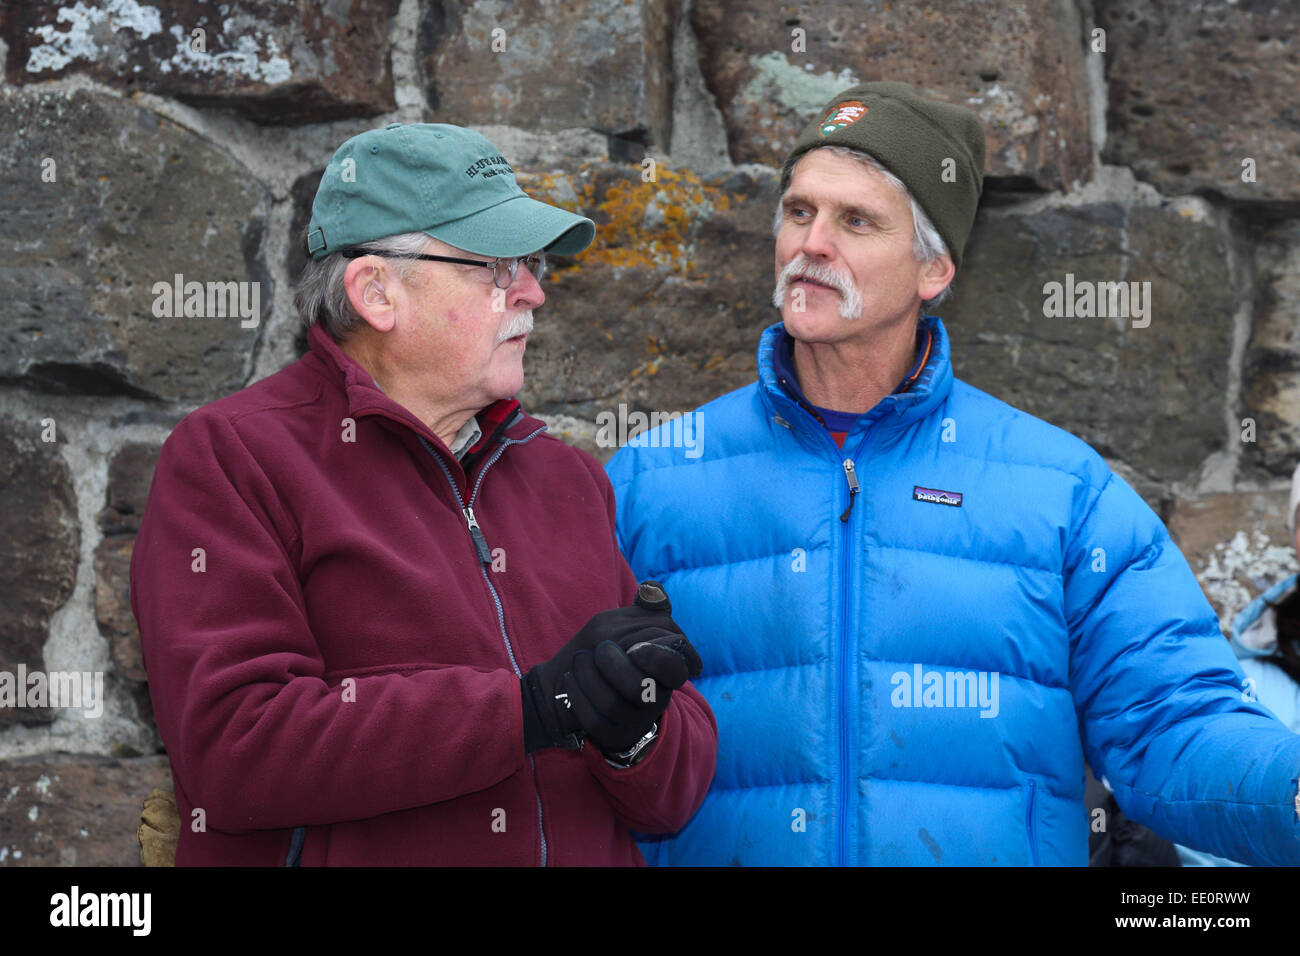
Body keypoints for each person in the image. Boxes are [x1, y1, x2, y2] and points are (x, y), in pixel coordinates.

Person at [606, 81, 1300, 865]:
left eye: (856, 220)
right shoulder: (648, 480)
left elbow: (1172, 724)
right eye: (800, 211)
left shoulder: (1065, 495)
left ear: (933, 270)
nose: (812, 243)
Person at [130, 122, 717, 865]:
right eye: (495, 266)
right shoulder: (235, 458)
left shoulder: (565, 479)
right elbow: (238, 748)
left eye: (530, 264)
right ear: (376, 292)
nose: (533, 291)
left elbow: (673, 802)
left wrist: (636, 729)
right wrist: (527, 711)